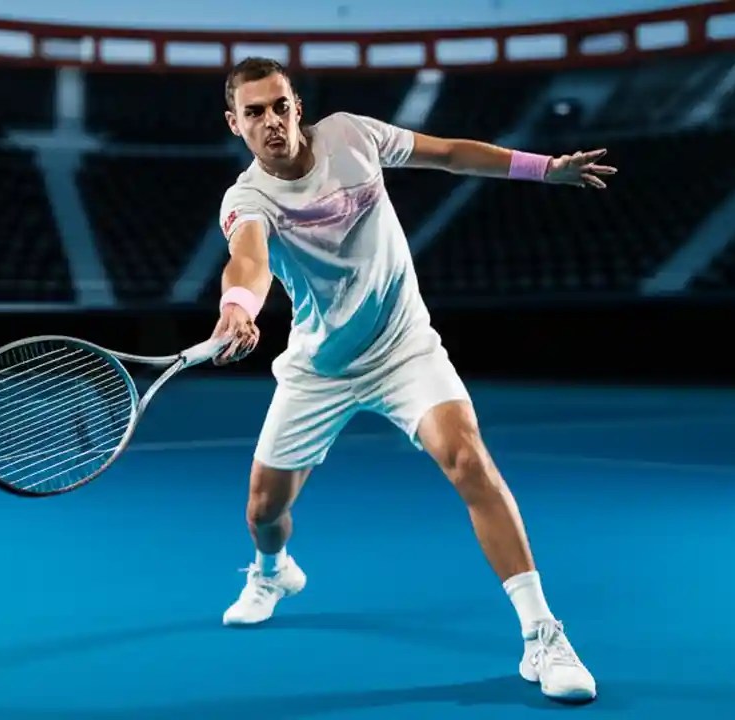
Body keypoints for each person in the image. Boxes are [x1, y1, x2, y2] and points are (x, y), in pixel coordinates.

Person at [207, 57, 616, 703]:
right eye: (254, 112)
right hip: (321, 367)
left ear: (297, 108)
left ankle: (543, 635)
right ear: (236, 124)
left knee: (468, 459)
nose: (271, 120)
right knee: (264, 511)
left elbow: (451, 153)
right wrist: (239, 307)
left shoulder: (352, 136)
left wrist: (545, 168)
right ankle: (272, 571)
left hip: (404, 346)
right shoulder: (248, 198)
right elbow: (248, 260)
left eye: (279, 105)